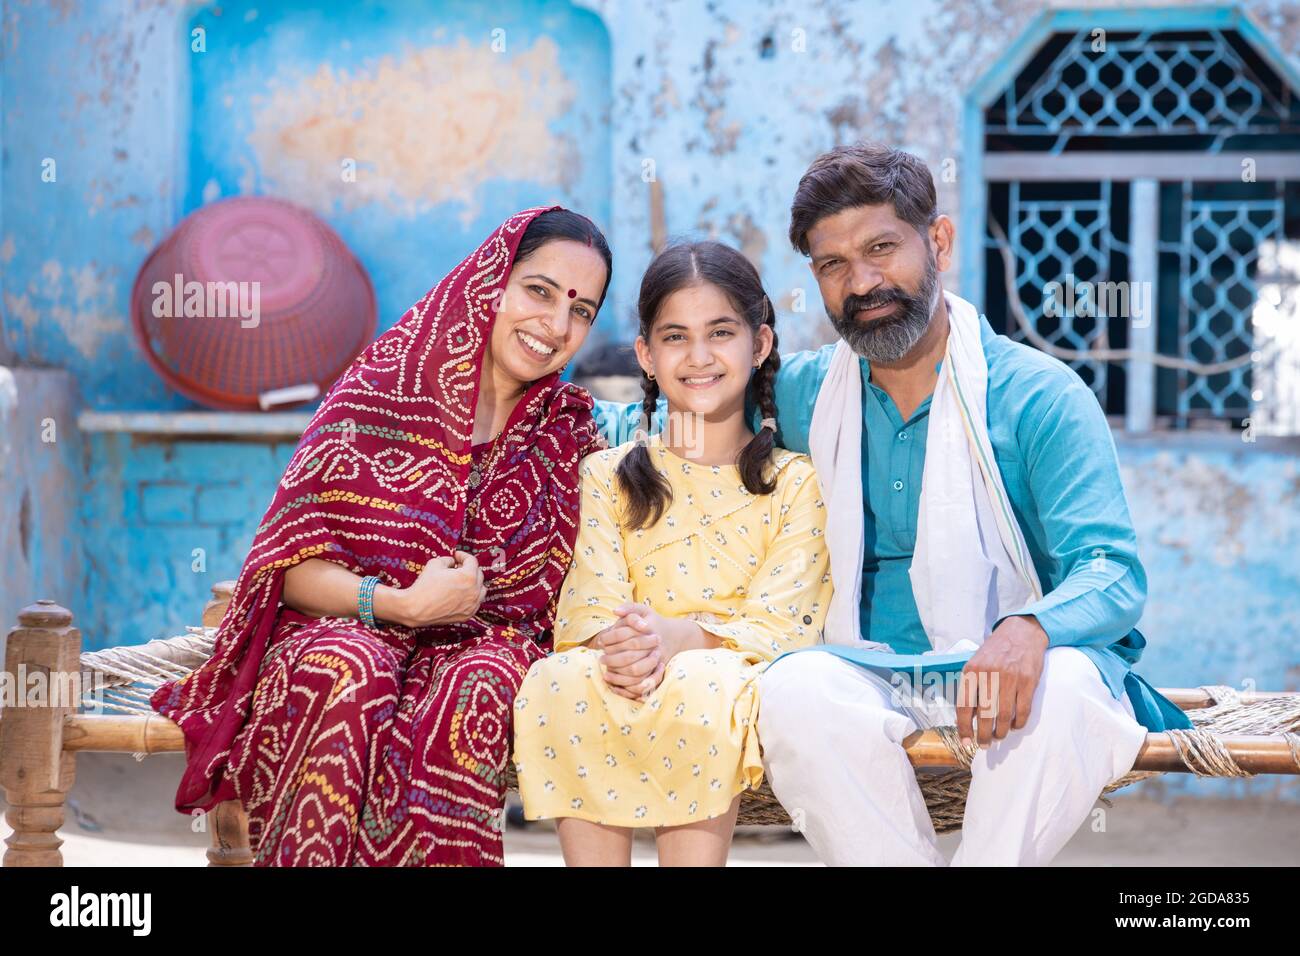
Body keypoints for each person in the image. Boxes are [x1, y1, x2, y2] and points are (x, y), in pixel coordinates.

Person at [593, 143, 1192, 867]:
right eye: (833, 265)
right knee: (794, 687)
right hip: (865, 671)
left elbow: (1111, 571)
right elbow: (671, 423)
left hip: (1009, 676)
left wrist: (1030, 628)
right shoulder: (809, 394)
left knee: (1068, 683)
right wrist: (527, 414)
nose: (863, 282)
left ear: (937, 240)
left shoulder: (1038, 397)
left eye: (882, 248)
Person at [151, 206, 612, 866]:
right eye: (538, 291)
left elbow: (559, 600)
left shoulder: (567, 432)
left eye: (583, 310)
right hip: (345, 626)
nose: (556, 325)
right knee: (351, 669)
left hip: (486, 647)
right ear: (492, 281)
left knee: (473, 684)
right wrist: (398, 606)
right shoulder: (381, 388)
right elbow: (291, 566)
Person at [512, 240, 832, 866]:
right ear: (647, 356)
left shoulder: (797, 483)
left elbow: (783, 624)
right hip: (621, 666)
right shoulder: (606, 475)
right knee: (560, 677)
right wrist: (632, 644)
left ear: (760, 345)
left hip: (724, 670)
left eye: (720, 332)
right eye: (676, 337)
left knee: (702, 681)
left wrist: (680, 640)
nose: (700, 357)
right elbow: (588, 607)